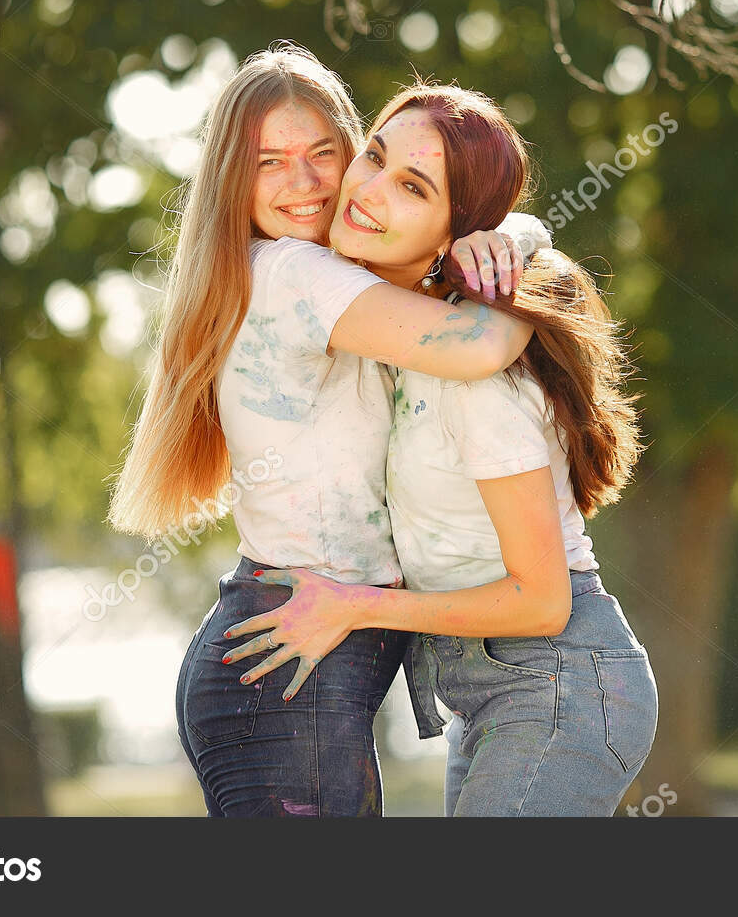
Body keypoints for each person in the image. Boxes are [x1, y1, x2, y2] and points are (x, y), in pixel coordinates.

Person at [109, 45, 541, 816]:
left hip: (287, 649)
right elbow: (477, 346)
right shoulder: (293, 275)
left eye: (321, 154)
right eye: (268, 161)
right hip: (288, 667)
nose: (303, 183)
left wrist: (500, 238)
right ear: (230, 182)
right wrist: (517, 260)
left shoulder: (314, 280)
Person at [220, 84, 658, 816]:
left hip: (561, 683)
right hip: (488, 692)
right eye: (375, 157)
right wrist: (517, 237)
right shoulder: (394, 331)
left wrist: (354, 607)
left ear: (453, 230)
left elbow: (544, 601)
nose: (367, 191)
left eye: (413, 187)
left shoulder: (476, 378)